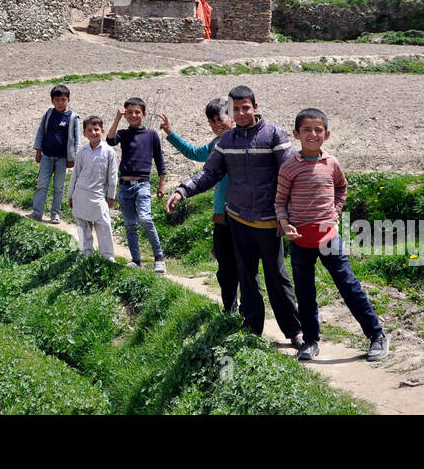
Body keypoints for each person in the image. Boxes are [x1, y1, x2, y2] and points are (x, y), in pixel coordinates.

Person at [166, 86, 301, 344]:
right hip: (238, 220)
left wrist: (290, 214)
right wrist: (183, 190)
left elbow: (289, 173)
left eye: (245, 108)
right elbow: (209, 174)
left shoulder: (273, 134)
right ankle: (252, 330)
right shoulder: (226, 142)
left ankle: (294, 332)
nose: (240, 113)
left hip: (269, 221)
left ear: (255, 106)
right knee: (247, 278)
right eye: (235, 109)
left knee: (277, 277)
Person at [277, 107, 389, 362]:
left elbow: (342, 187)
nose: (312, 134)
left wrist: (335, 213)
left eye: (318, 130)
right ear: (296, 133)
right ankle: (311, 341)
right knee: (305, 293)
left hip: (329, 238)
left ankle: (377, 335)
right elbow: (280, 200)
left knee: (348, 285)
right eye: (306, 130)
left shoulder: (332, 163)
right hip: (299, 241)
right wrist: (284, 222)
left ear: (326, 134)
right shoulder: (289, 167)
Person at [160, 99, 238, 313]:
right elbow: (194, 153)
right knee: (225, 267)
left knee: (246, 268)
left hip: (245, 215)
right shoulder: (214, 145)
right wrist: (171, 133)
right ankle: (230, 310)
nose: (216, 124)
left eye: (219, 118)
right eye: (211, 121)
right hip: (221, 215)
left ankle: (251, 314)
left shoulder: (244, 143)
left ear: (231, 117)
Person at [106, 96, 167, 273]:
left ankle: (159, 257)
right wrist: (117, 118)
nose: (133, 115)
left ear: (144, 114)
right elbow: (110, 140)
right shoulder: (124, 134)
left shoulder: (151, 135)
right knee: (130, 224)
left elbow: (160, 160)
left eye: (137, 112)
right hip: (125, 186)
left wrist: (161, 184)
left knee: (145, 218)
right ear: (126, 115)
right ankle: (136, 260)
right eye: (129, 112)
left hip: (142, 184)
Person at [68, 115, 118, 261]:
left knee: (103, 224)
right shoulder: (82, 152)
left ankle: (107, 257)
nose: (93, 133)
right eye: (89, 130)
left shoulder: (109, 152)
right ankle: (86, 253)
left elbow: (112, 176)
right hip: (80, 193)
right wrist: (70, 195)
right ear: (84, 133)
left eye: (96, 129)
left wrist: (110, 196)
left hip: (98, 195)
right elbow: (75, 174)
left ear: (102, 130)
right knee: (82, 225)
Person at [31, 84, 80, 224]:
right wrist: (38, 150)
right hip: (47, 156)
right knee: (42, 184)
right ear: (52, 101)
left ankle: (55, 214)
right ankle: (37, 213)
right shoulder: (48, 114)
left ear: (68, 100)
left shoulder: (73, 117)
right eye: (57, 100)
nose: (60, 103)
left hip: (62, 159)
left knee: (59, 187)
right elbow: (41, 132)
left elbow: (76, 140)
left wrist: (73, 158)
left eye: (63, 100)